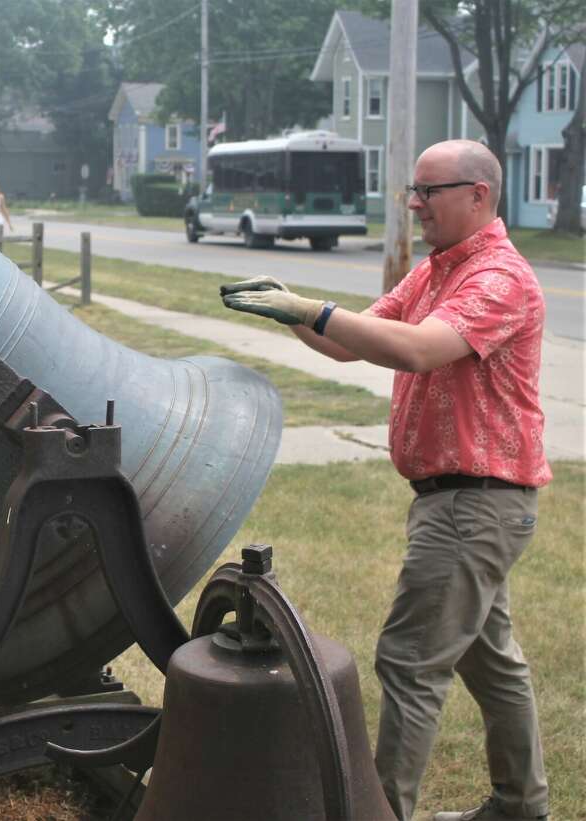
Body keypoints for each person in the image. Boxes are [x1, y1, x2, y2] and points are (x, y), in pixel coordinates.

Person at [220, 140, 549, 821]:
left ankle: (381, 812)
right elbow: (356, 338)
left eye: (430, 191)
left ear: (478, 196)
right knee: (491, 663)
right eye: (413, 189)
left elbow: (421, 349)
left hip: (474, 503)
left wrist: (310, 305)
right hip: (462, 502)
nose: (413, 203)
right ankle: (522, 807)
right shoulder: (437, 271)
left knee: (409, 662)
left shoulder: (499, 278)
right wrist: (291, 311)